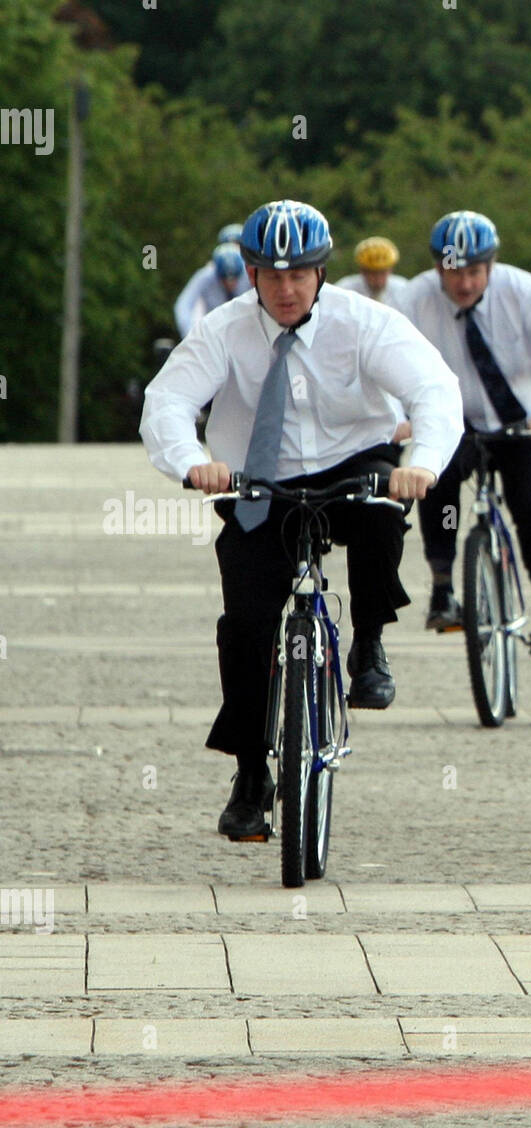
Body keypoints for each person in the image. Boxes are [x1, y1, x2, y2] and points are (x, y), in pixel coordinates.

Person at [142, 199, 463, 840]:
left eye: (299, 275)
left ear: (321, 272)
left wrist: (421, 464)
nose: (285, 290)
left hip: (353, 461)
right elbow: (168, 400)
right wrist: (192, 460)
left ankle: (368, 643)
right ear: (250, 273)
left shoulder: (364, 322)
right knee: (246, 626)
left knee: (380, 517)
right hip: (258, 479)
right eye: (270, 275)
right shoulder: (223, 329)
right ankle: (250, 774)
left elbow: (434, 389)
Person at [394, 210, 531, 669]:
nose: (464, 283)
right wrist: (397, 416)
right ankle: (443, 585)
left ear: (492, 265)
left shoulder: (525, 293)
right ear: (437, 268)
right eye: (453, 272)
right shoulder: (412, 299)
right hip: (453, 422)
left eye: (475, 272)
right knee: (432, 481)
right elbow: (383, 358)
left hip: (523, 421)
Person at [174, 242, 252, 338]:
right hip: (214, 332)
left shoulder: (250, 275)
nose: (230, 284)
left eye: (235, 278)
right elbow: (184, 305)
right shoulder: (206, 276)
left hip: (245, 330)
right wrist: (191, 335)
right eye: (225, 279)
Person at [335, 236, 409, 312]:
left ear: (391, 270)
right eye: (372, 273)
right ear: (362, 271)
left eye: (383, 272)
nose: (378, 278)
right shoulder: (345, 289)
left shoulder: (403, 289)